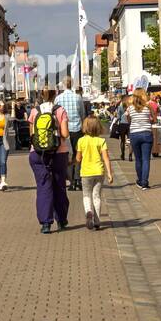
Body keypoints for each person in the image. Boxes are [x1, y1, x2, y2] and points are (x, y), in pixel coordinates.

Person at [28, 90, 71, 233]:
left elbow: (32, 135)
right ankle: (61, 220)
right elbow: (64, 134)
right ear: (55, 95)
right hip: (58, 153)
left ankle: (45, 224)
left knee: (43, 187)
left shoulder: (34, 111)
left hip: (38, 154)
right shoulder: (60, 110)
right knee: (59, 186)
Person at [75, 115, 114, 230]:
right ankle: (97, 220)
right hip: (99, 171)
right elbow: (106, 158)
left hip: (86, 172)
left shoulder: (81, 141)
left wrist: (72, 163)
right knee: (96, 196)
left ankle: (88, 211)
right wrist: (110, 173)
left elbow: (78, 158)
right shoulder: (101, 141)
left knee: (86, 195)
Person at [126, 88, 157, 190]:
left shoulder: (130, 108)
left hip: (134, 134)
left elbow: (129, 120)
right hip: (146, 133)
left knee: (138, 159)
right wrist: (148, 122)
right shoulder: (148, 107)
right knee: (146, 159)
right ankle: (144, 183)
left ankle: (139, 180)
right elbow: (154, 119)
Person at [55, 78, 84, 191]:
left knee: (67, 155)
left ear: (63, 85)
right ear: (72, 84)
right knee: (78, 154)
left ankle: (71, 181)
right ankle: (78, 180)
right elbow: (82, 114)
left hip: (64, 130)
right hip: (77, 129)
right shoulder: (78, 97)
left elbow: (55, 114)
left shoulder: (58, 98)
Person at [111, 94, 132, 161]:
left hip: (122, 125)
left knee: (122, 141)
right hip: (129, 124)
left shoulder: (120, 107)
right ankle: (130, 156)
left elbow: (118, 117)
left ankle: (122, 154)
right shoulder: (130, 107)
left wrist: (114, 122)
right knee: (129, 141)